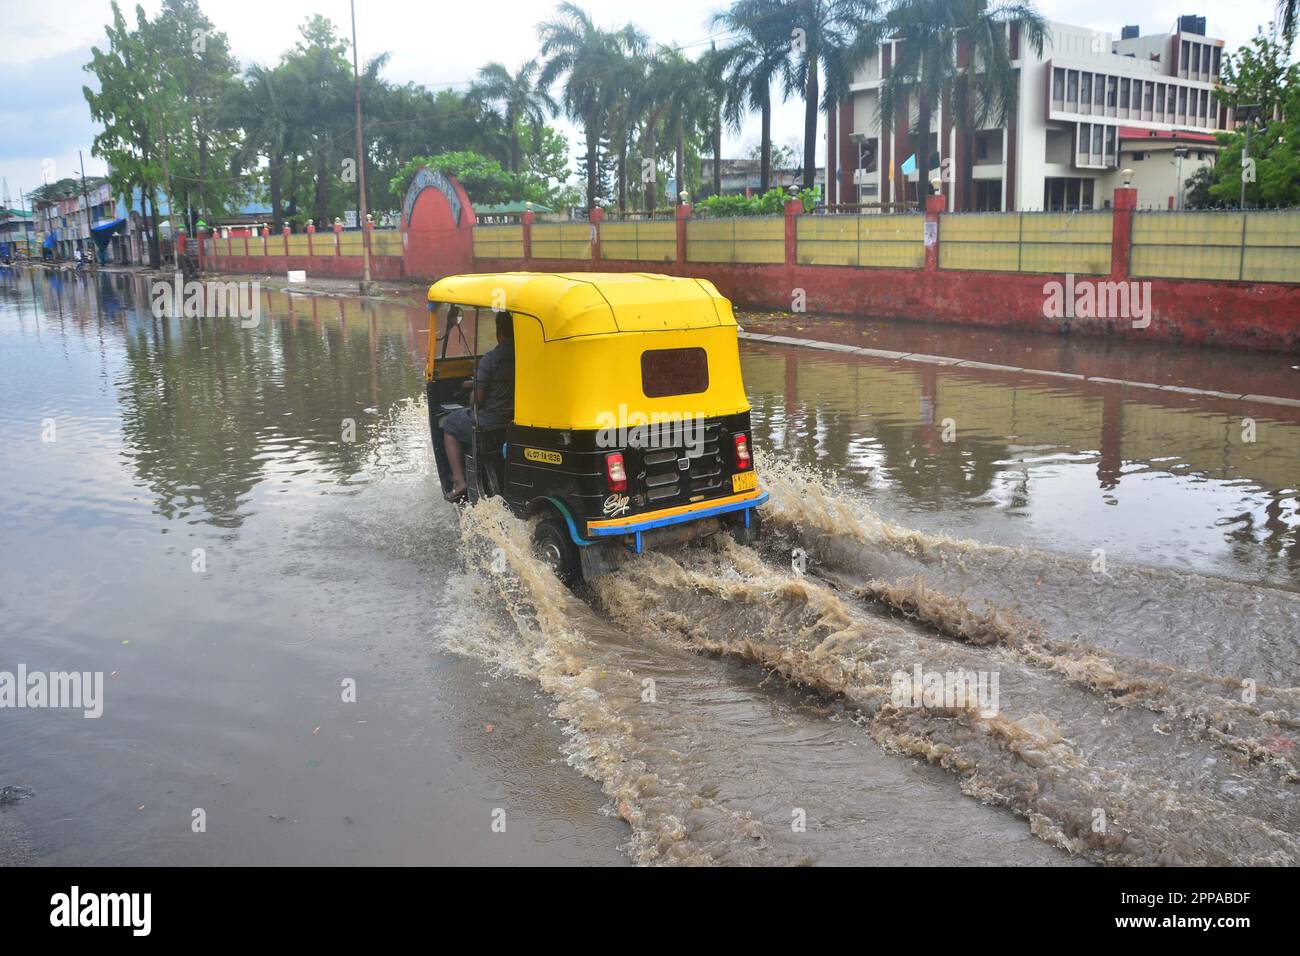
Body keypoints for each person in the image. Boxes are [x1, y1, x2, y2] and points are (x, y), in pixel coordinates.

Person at [442, 311, 514, 501]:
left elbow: (478, 400)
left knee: (450, 423)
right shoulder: (526, 357)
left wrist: (473, 392)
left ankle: (459, 482)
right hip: (515, 422)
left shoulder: (491, 359)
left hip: (491, 422)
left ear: (499, 332)